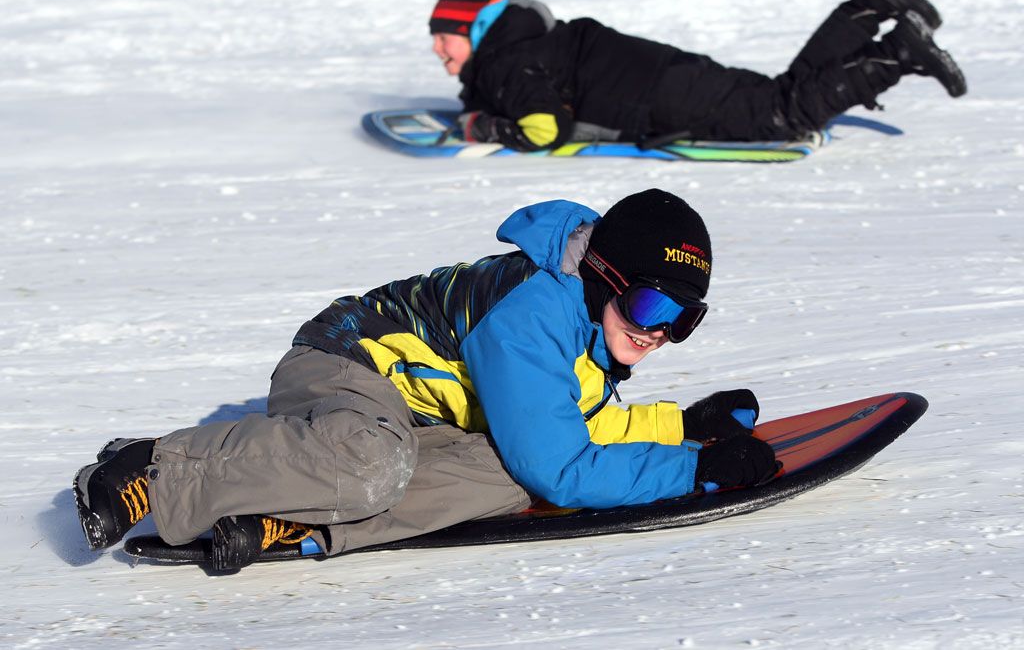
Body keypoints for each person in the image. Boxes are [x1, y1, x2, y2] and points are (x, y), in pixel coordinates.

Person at [74, 189, 778, 571]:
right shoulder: (533, 315)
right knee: (377, 461)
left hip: (412, 418)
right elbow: (566, 469)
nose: (660, 333)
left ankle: (296, 520)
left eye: (684, 319)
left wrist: (682, 425)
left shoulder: (594, 327)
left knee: (511, 480)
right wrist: (694, 470)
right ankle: (153, 468)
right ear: (605, 274)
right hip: (344, 364)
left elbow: (564, 433)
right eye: (653, 305)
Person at [428, 0, 967, 151]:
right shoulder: (522, 42)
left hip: (655, 97)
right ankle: (868, 10)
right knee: (780, 95)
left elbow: (546, 128)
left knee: (783, 115)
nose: (436, 48)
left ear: (475, 29)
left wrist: (484, 127)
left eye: (445, 36)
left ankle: (898, 52)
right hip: (663, 73)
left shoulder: (504, 62)